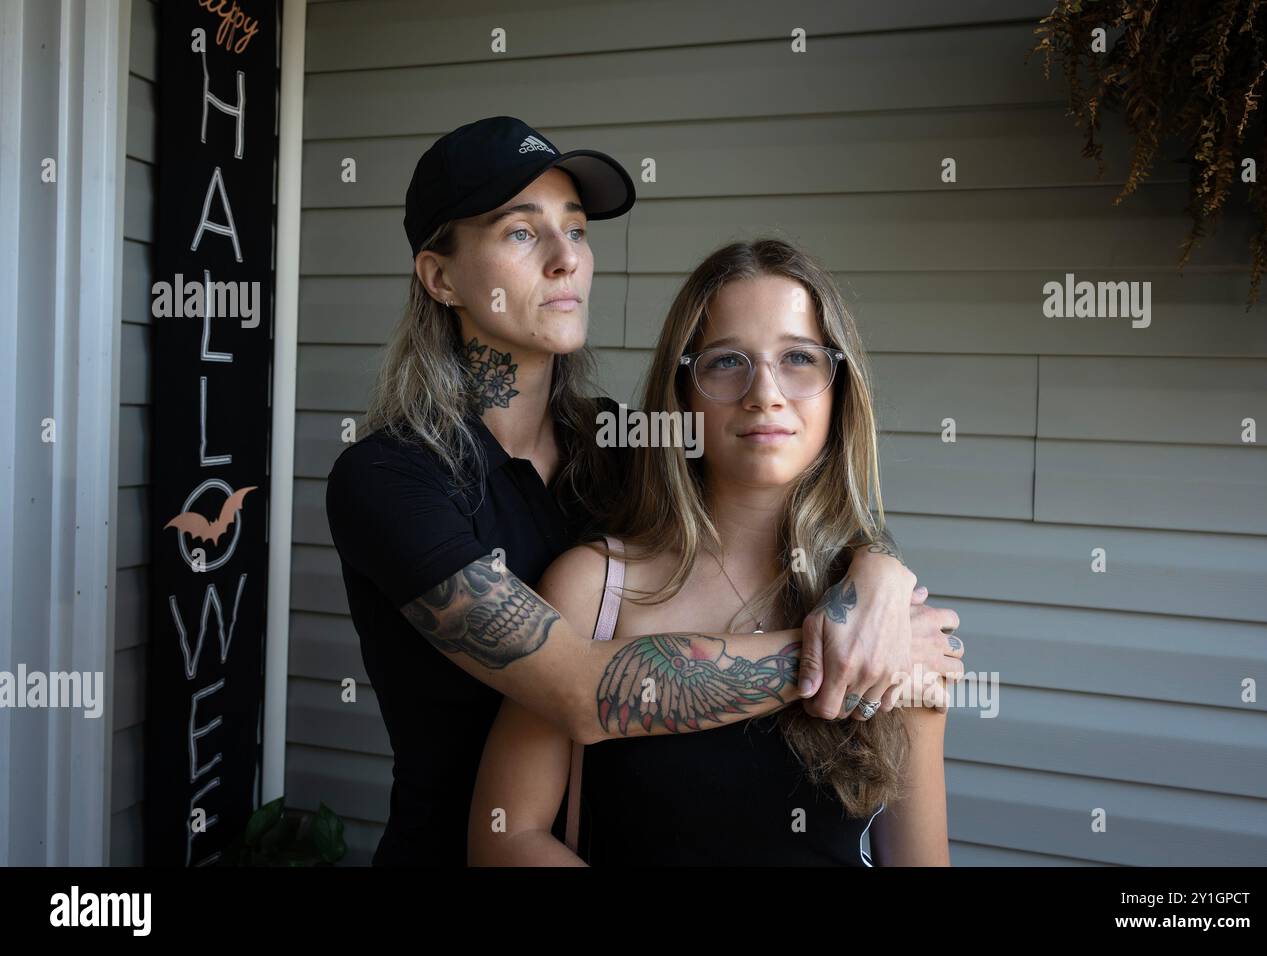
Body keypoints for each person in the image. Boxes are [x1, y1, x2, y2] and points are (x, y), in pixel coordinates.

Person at [325, 117, 956, 866]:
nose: (567, 260)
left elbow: (772, 474)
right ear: (441, 276)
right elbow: (584, 693)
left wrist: (878, 577)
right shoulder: (393, 478)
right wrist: (842, 657)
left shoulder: (621, 445)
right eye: (522, 234)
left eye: (578, 230)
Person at [469, 239, 960, 866]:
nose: (765, 393)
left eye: (799, 358)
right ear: (683, 393)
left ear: (841, 390)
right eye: (727, 362)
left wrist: (879, 570)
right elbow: (504, 836)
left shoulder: (886, 624)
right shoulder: (595, 589)